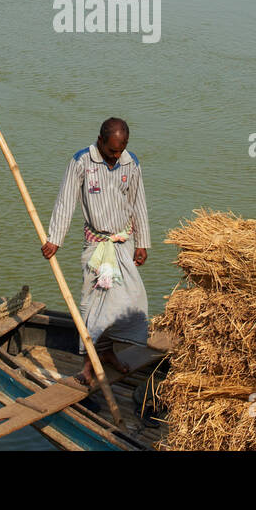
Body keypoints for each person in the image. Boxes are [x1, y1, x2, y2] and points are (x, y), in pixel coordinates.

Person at [42, 118, 150, 386]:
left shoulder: (130, 162)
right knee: (94, 305)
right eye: (112, 150)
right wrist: (55, 239)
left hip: (123, 242)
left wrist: (142, 243)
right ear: (100, 141)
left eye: (120, 150)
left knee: (127, 302)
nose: (116, 156)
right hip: (97, 247)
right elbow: (65, 202)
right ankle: (88, 365)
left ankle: (108, 352)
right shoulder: (82, 162)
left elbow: (138, 203)